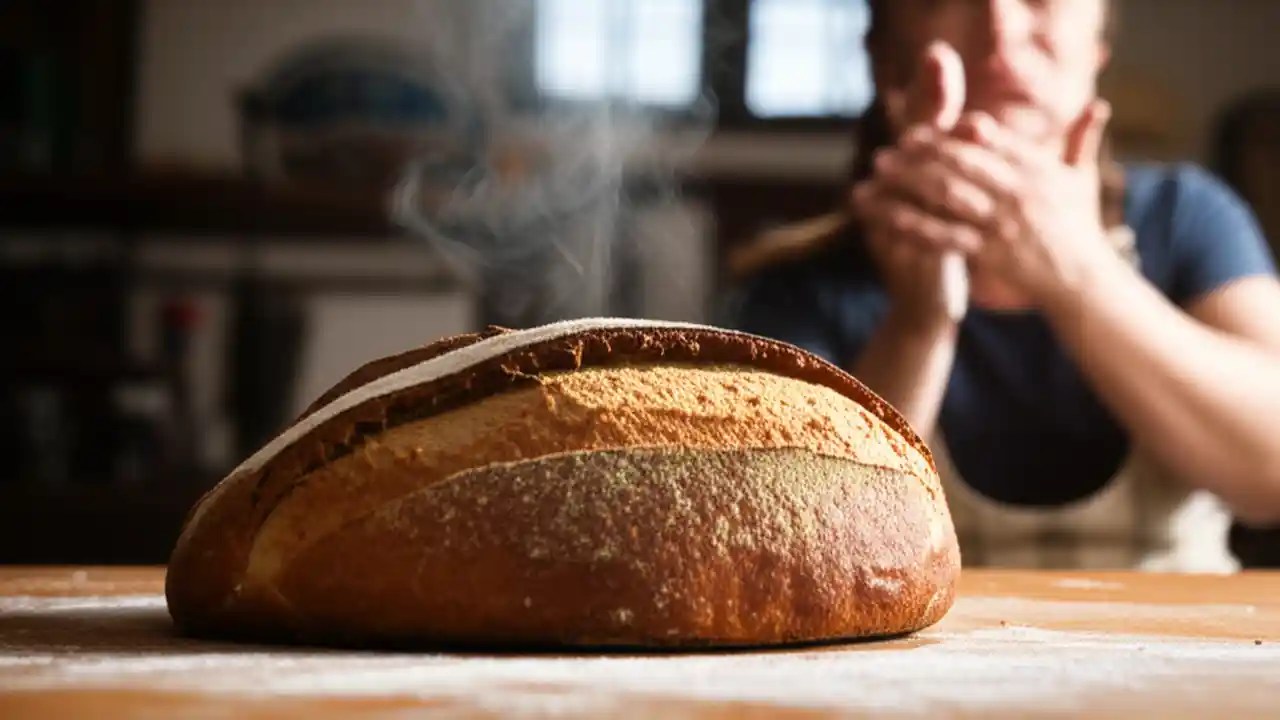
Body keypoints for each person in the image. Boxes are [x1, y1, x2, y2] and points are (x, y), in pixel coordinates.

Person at [733, 0, 1280, 571]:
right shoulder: (798, 286)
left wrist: (1078, 274)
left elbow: (1271, 473)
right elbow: (793, 551)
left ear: (1097, 46)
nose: (1001, 26)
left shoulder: (1189, 217)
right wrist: (920, 324)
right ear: (885, 58)